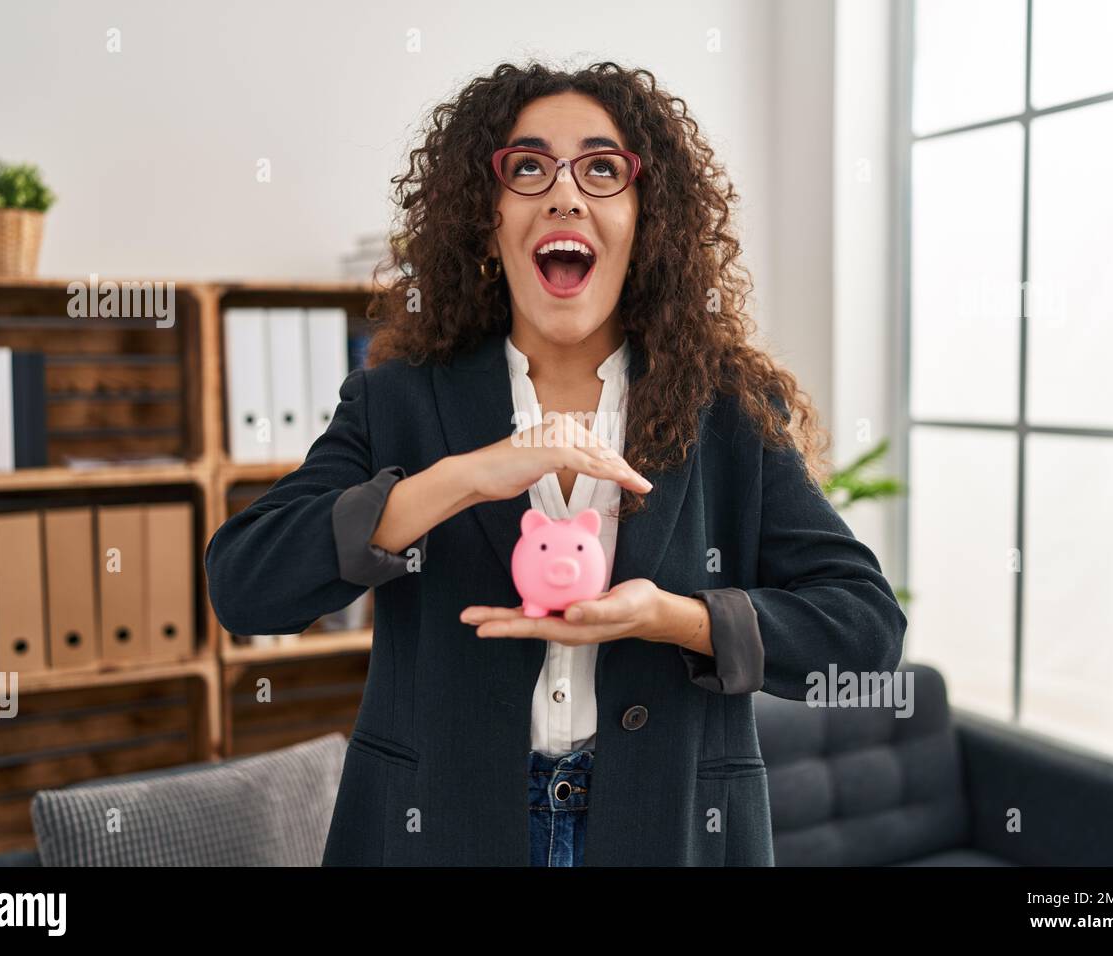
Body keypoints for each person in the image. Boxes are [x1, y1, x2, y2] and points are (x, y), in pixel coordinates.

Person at [205, 60, 907, 867]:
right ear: (488, 213)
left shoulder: (728, 409)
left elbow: (865, 631)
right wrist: (462, 477)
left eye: (603, 169)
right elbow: (245, 584)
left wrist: (673, 618)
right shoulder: (397, 398)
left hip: (672, 830)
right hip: (437, 832)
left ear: (648, 219)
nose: (565, 195)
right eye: (528, 166)